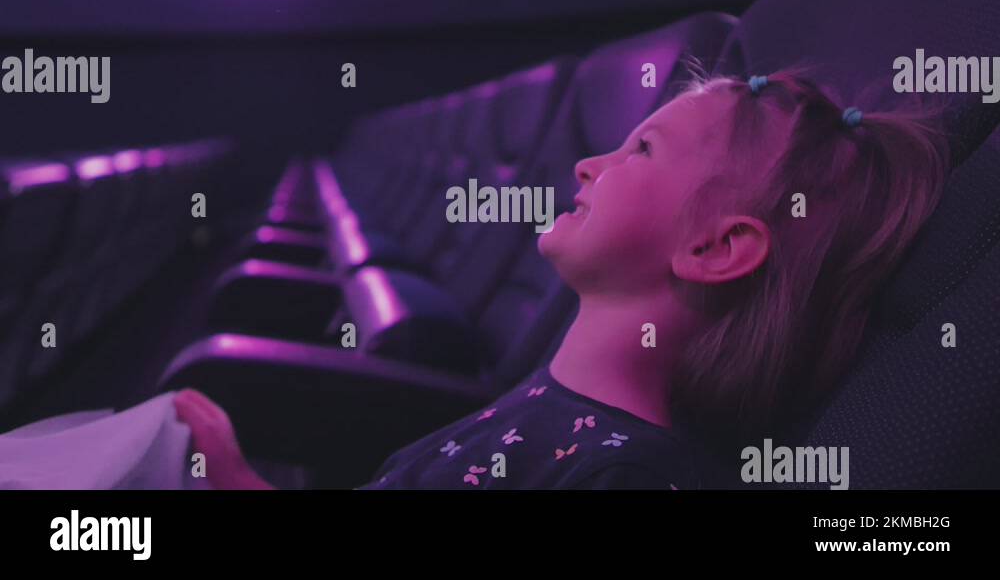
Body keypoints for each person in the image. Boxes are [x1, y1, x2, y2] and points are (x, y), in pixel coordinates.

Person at [174, 70, 949, 489]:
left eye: (640, 151)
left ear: (716, 249)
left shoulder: (626, 476)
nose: (588, 164)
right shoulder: (547, 399)